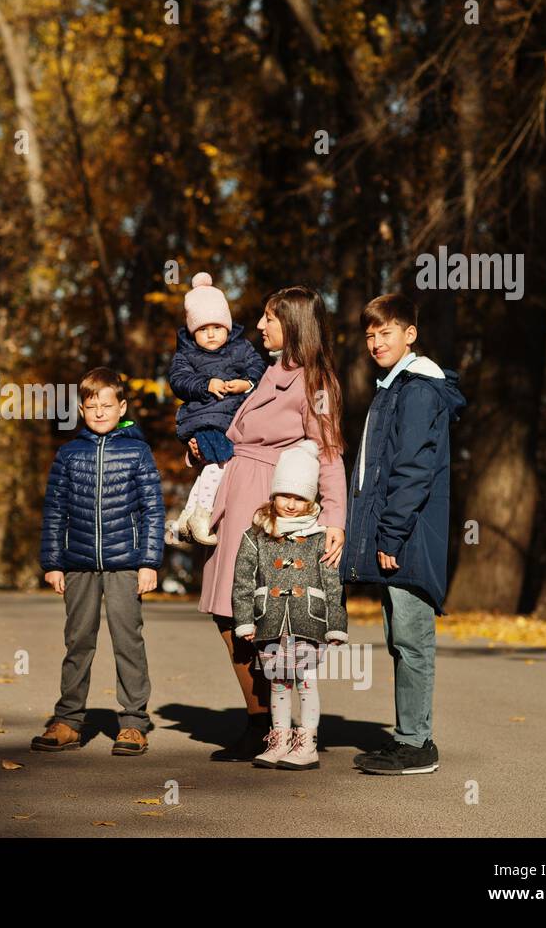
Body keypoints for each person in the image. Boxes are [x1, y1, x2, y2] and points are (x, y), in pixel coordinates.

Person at [191, 286, 347, 762]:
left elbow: (328, 453)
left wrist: (336, 517)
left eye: (269, 319)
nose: (259, 326)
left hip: (266, 500)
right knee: (228, 610)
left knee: (249, 610)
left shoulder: (315, 383)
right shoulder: (270, 371)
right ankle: (262, 719)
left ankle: (267, 724)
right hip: (238, 488)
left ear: (295, 324)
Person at [341, 293, 465, 775]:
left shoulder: (416, 390)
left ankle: (418, 744)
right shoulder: (393, 388)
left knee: (412, 639)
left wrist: (390, 537)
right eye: (369, 334)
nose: (375, 342)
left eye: (385, 332)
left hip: (409, 536)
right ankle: (408, 735)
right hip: (399, 534)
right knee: (399, 638)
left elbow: (412, 469)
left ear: (409, 334)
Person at [32, 367, 165, 756]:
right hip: (78, 563)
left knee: (128, 640)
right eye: (92, 406)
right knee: (78, 641)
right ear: (81, 409)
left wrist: (149, 562)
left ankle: (133, 722)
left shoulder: (137, 451)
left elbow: (153, 510)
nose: (100, 412)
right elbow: (54, 510)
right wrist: (53, 563)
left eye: (108, 405)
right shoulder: (69, 453)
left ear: (121, 407)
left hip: (127, 562)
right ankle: (69, 720)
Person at [232, 440, 347, 770]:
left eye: (300, 497)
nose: (292, 505)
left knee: (306, 682)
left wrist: (336, 624)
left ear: (311, 499)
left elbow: (332, 583)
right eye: (286, 495)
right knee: (279, 683)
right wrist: (244, 620)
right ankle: (279, 738)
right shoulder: (256, 535)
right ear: (274, 494)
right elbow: (243, 580)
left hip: (308, 623)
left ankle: (307, 742)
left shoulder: (319, 535)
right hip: (269, 622)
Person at [168, 272, 267, 545]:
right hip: (203, 419)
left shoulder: (241, 348)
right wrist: (204, 384)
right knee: (221, 461)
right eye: (202, 329)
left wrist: (245, 384)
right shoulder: (186, 354)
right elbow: (178, 380)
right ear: (192, 331)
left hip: (229, 419)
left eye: (217, 327)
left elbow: (258, 369)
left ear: (228, 327)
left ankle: (189, 513)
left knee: (212, 466)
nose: (210, 334)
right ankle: (203, 513)